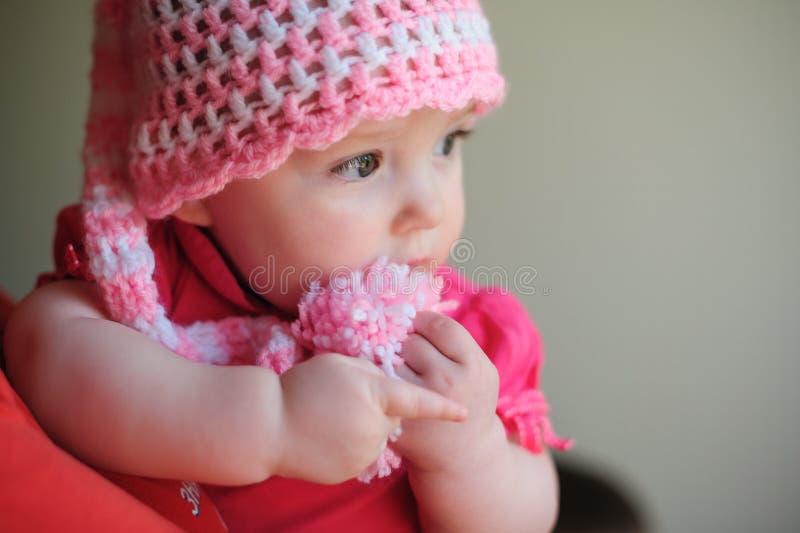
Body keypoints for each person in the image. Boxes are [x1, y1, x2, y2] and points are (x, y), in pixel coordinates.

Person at [4, 1, 571, 531]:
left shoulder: (459, 339)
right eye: (362, 162)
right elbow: (42, 347)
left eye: (447, 143)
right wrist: (271, 424)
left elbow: (529, 516)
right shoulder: (154, 281)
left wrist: (471, 453)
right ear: (201, 179)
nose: (431, 208)